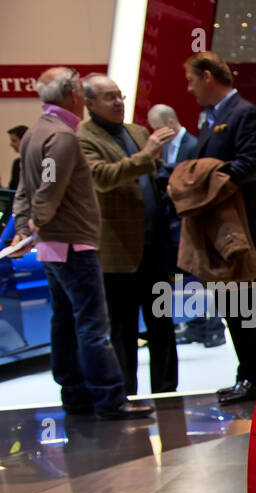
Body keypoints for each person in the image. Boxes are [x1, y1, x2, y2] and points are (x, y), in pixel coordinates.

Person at [12, 67, 151, 420]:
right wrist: (38, 219)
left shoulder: (33, 134)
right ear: (74, 94)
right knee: (92, 326)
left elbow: (26, 190)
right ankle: (108, 399)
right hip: (73, 244)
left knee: (65, 324)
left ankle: (74, 395)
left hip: (54, 247)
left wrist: (23, 224)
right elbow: (48, 185)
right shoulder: (61, 137)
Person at [78, 73, 178, 395]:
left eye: (120, 96)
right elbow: (102, 178)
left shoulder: (136, 131)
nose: (119, 102)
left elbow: (152, 179)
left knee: (163, 327)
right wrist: (146, 154)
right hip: (118, 252)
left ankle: (167, 392)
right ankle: (126, 396)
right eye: (110, 97)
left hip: (154, 248)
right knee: (122, 332)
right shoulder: (83, 138)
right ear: (89, 103)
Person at [184, 50, 256, 404]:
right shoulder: (213, 119)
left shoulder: (244, 114)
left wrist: (199, 176)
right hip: (221, 230)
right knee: (232, 308)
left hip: (241, 229)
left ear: (208, 76)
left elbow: (248, 167)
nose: (190, 89)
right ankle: (248, 374)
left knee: (244, 309)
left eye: (192, 81)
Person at [148, 103, 212, 347]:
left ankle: (211, 326)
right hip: (174, 224)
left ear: (170, 123)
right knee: (184, 276)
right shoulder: (165, 150)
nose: (154, 134)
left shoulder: (193, 145)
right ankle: (195, 324)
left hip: (192, 220)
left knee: (200, 275)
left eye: (157, 128)